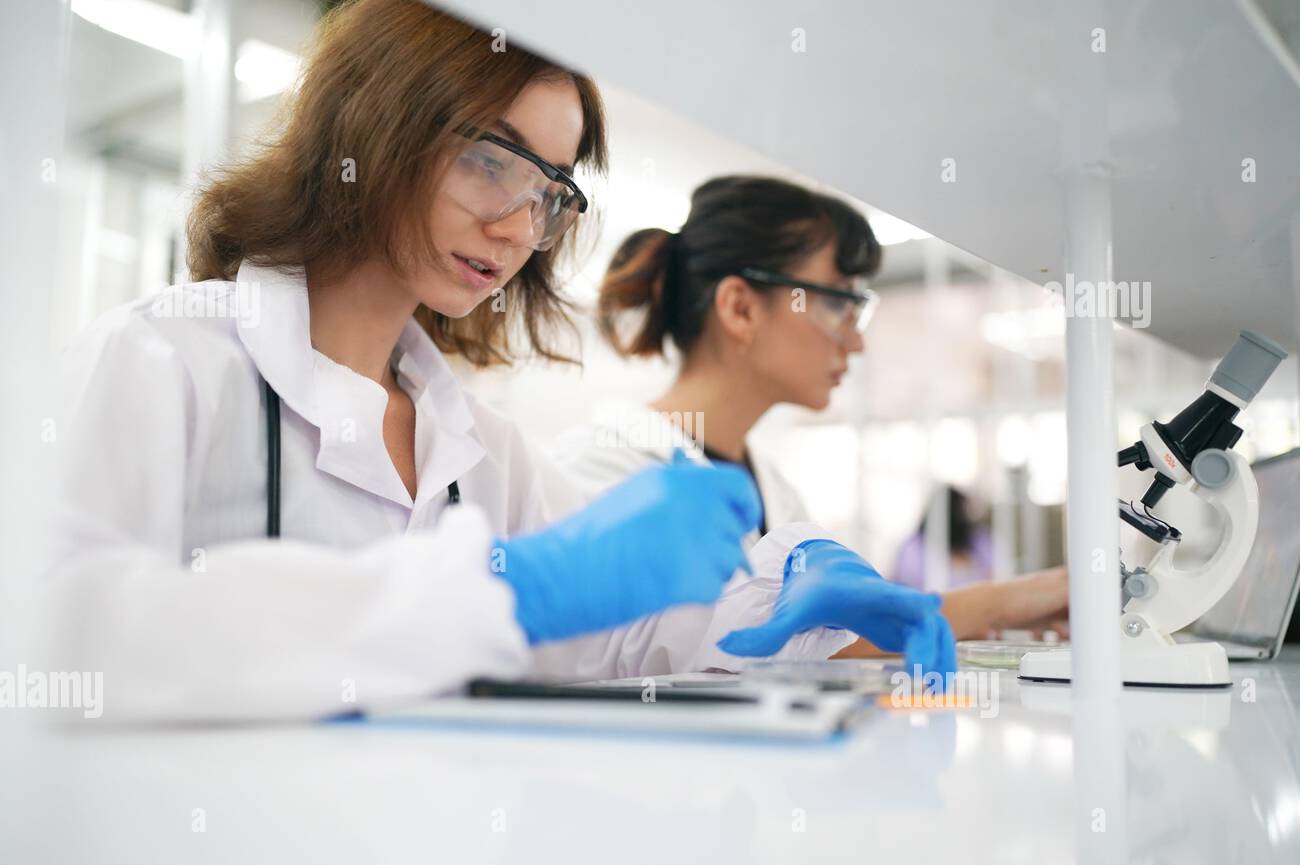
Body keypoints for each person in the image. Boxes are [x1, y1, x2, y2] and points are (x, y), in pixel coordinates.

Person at [40, 1, 952, 722]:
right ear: (373, 128)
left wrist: (790, 596)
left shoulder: (479, 446)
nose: (519, 229)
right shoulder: (163, 359)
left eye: (548, 194)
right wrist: (499, 594)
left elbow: (622, 640)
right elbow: (59, 637)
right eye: (489, 162)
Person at [553, 176, 1069, 647]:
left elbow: (825, 646)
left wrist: (1020, 601)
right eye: (837, 304)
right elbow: (688, 649)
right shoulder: (603, 469)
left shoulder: (775, 491)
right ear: (740, 308)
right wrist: (1003, 602)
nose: (856, 341)